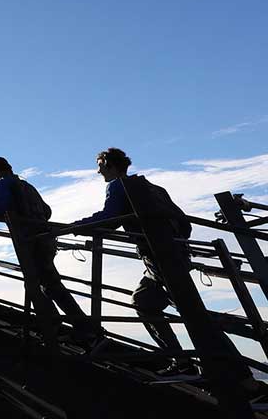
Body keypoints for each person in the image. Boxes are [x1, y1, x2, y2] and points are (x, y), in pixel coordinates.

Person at [70, 148, 235, 377]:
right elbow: (184, 224)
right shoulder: (154, 188)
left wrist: (79, 226)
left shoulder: (118, 186)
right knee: (144, 300)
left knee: (193, 313)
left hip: (158, 258)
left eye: (100, 166)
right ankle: (184, 361)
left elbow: (109, 218)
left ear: (109, 164)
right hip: (173, 253)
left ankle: (237, 374)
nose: (98, 171)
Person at [0, 156, 95, 343]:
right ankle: (71, 324)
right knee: (49, 283)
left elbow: (0, 206)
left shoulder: (1, 185)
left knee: (38, 283)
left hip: (29, 240)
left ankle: (67, 326)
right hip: (45, 238)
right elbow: (47, 211)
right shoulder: (27, 186)